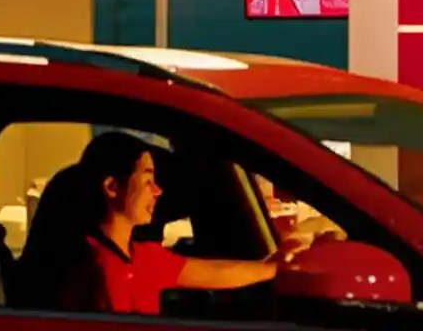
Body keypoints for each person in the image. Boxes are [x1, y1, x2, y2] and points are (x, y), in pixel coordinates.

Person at [15, 132, 299, 315]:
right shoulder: (88, 271)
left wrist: (278, 266)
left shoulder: (142, 259)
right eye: (148, 180)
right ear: (112, 186)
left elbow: (215, 271)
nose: (158, 191)